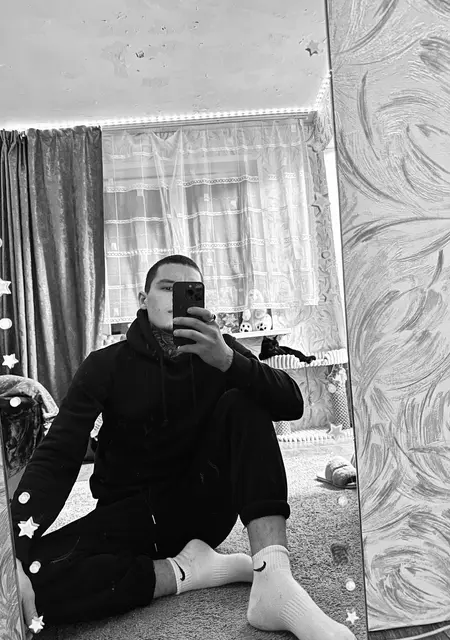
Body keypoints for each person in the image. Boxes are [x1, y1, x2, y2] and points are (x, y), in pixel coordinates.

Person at [12, 255, 355, 640]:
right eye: (166, 288)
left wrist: (229, 361)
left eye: (188, 290)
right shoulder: (105, 365)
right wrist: (14, 547)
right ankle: (187, 571)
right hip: (127, 521)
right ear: (143, 299)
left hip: (205, 510)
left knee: (246, 398)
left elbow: (291, 403)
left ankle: (274, 579)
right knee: (19, 583)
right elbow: (59, 452)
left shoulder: (218, 350)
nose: (176, 298)